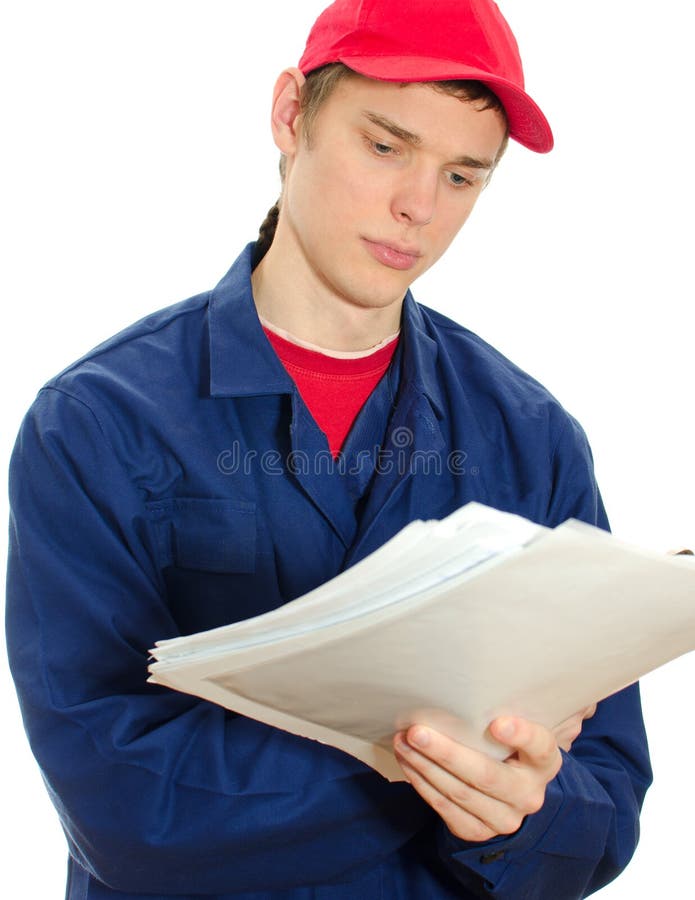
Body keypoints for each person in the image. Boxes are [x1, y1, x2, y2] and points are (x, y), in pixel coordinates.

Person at [6, 1, 652, 898]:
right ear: (290, 114)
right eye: (384, 146)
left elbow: (609, 809)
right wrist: (428, 772)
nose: (417, 207)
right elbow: (120, 808)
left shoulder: (532, 436)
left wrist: (522, 814)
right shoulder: (96, 424)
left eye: (462, 175)